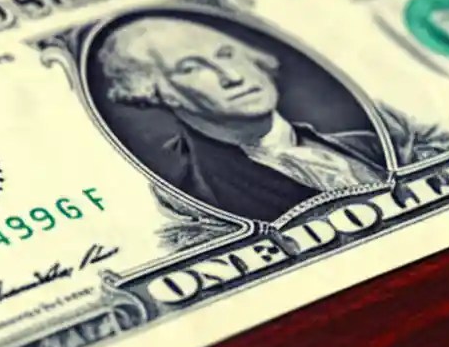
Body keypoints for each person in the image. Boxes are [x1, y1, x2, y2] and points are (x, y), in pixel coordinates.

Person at [99, 16, 387, 221]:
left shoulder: (368, 145)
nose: (232, 77)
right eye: (191, 68)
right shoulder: (203, 200)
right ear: (158, 92)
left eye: (226, 54)